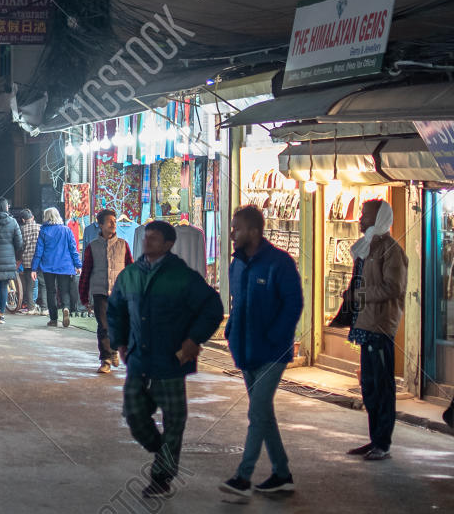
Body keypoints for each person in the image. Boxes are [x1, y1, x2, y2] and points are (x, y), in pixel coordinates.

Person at [107, 221, 224, 497]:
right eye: (146, 237)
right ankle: (163, 452)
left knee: (174, 420)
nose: (146, 242)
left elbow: (212, 308)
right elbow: (115, 310)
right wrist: (120, 342)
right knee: (134, 414)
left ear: (168, 244)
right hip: (139, 360)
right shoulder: (130, 275)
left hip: (171, 361)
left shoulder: (182, 277)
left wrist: (194, 340)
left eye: (154, 238)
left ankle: (162, 478)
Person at [220, 205, 304, 497]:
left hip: (272, 352)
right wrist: (231, 332)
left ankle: (243, 477)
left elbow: (293, 304)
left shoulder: (279, 263)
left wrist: (276, 337)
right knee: (264, 414)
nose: (232, 234)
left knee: (257, 412)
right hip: (245, 349)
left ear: (254, 232)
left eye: (237, 229)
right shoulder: (237, 264)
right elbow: (237, 302)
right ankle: (282, 473)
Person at [345, 199, 408, 461]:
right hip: (365, 323)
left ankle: (383, 443)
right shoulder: (367, 246)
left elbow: (393, 287)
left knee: (382, 386)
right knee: (369, 386)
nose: (360, 219)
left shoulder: (391, 250)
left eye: (365, 215)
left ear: (379, 219)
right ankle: (374, 440)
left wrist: (360, 295)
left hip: (380, 326)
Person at [81, 209, 134, 373]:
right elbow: (86, 272)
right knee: (104, 326)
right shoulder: (92, 247)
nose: (113, 224)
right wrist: (84, 296)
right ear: (101, 225)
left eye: (114, 221)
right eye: (110, 221)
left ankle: (114, 350)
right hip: (100, 292)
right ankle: (105, 360)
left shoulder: (123, 245)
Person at [32, 208, 81, 327]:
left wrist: (34, 268)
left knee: (51, 291)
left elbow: (39, 251)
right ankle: (66, 308)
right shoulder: (67, 230)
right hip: (65, 266)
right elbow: (73, 249)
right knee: (64, 290)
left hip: (48, 266)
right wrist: (78, 264)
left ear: (46, 217)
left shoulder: (43, 231)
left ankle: (53, 319)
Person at [16, 209, 41, 314]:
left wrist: (18, 260)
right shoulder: (40, 227)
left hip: (27, 260)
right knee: (37, 283)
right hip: (40, 260)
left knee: (29, 284)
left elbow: (20, 246)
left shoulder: (21, 229)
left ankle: (31, 306)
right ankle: (35, 305)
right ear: (33, 217)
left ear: (23, 220)